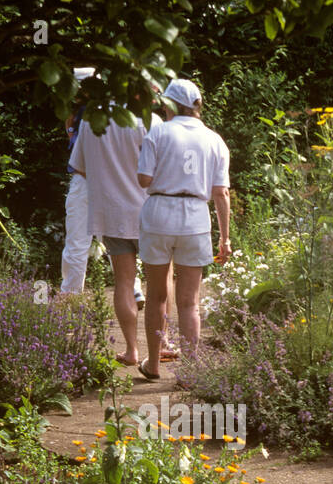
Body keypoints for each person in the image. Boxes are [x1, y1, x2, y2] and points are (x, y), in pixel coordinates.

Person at [134, 78, 230, 380]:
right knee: (190, 301)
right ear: (198, 106)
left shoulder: (158, 132)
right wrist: (225, 239)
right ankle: (190, 372)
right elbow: (221, 193)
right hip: (195, 218)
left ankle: (153, 364)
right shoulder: (215, 139)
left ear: (169, 104)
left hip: (160, 214)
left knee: (156, 295)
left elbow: (144, 180)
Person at [67, 95, 151, 366]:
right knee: (160, 283)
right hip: (151, 211)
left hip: (115, 213)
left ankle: (131, 350)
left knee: (123, 282)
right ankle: (162, 345)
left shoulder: (91, 124)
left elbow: (79, 168)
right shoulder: (145, 122)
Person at [61, 70, 145, 312]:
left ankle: (71, 295)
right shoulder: (117, 112)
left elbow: (79, 160)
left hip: (86, 179)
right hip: (114, 182)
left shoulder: (81, 117)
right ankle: (134, 288)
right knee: (118, 237)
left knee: (78, 239)